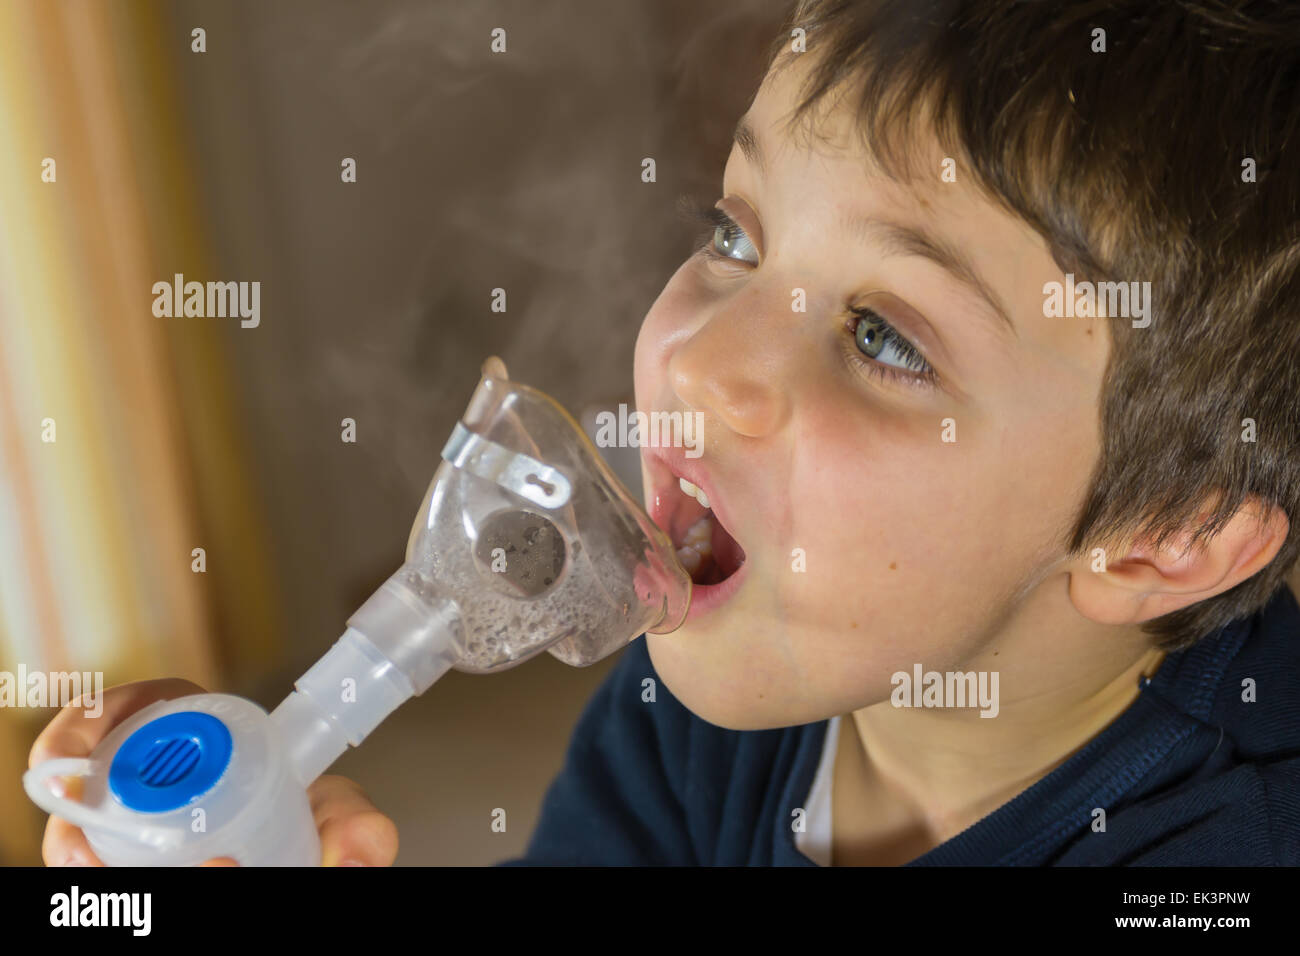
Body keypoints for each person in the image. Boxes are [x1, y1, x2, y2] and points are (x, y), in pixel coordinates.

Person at [33, 0, 1300, 866]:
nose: (696, 358)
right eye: (736, 233)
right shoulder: (685, 712)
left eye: (882, 338)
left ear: (1165, 531)